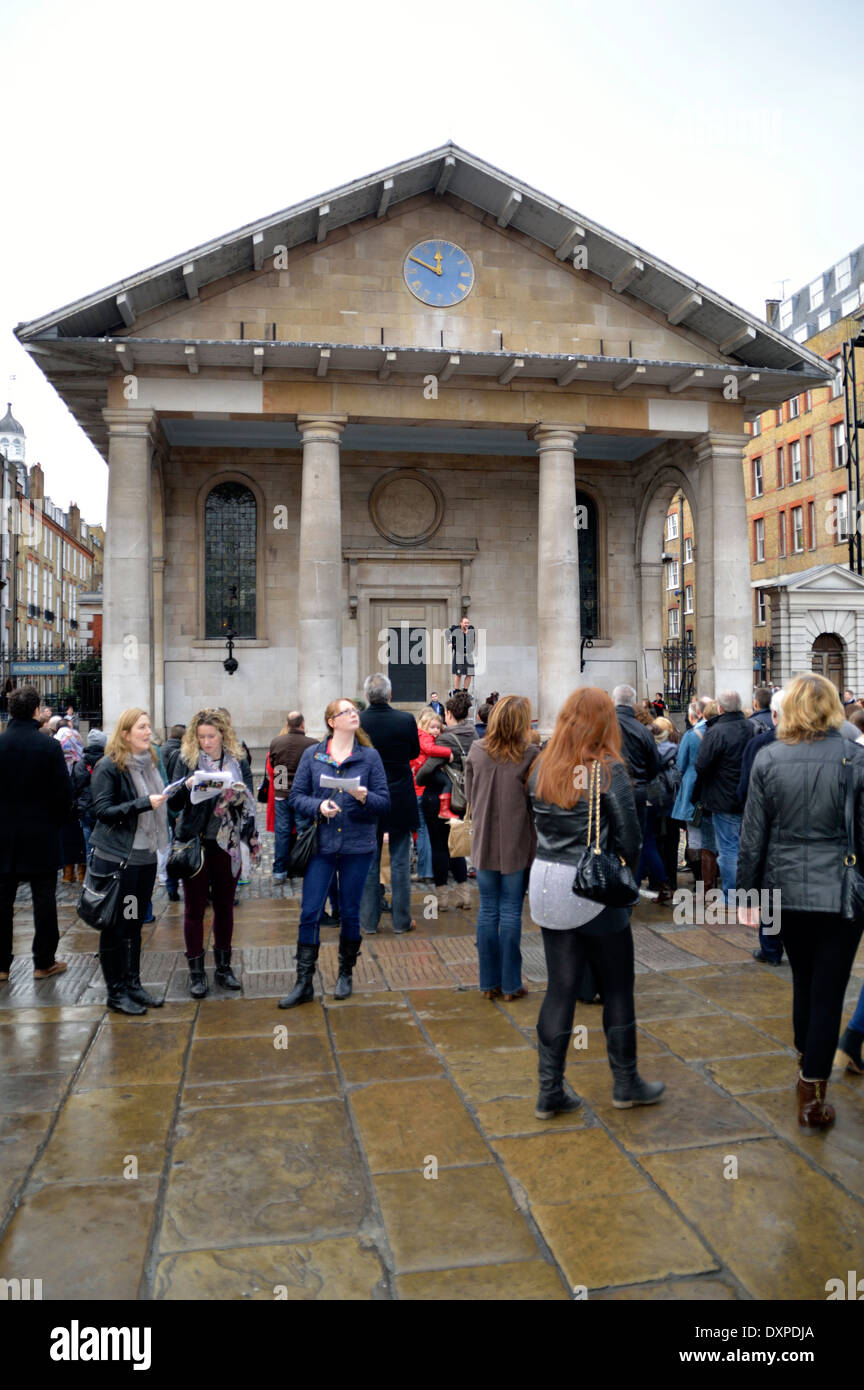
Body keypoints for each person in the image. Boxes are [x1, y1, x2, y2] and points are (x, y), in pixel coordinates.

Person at [527, 687, 663, 1118]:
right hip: (590, 882)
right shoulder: (608, 769)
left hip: (545, 877)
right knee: (619, 985)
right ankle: (626, 1083)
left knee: (560, 988)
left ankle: (549, 1091)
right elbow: (630, 837)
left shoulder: (541, 765)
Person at [737, 673, 864, 1132]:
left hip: (787, 891)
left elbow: (753, 837)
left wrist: (747, 894)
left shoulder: (769, 758)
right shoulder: (856, 758)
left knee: (805, 981)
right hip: (840, 894)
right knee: (828, 989)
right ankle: (812, 1088)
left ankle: (805, 1066)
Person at [280, 697, 390, 1006]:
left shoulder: (370, 757)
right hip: (322, 845)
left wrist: (366, 796)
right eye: (347, 712)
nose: (354, 715)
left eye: (356, 711)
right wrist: (319, 805)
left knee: (350, 911)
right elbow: (296, 797)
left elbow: (385, 802)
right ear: (332, 721)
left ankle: (345, 973)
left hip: (358, 845)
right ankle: (304, 983)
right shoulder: (312, 755)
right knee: (310, 911)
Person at [169, 709, 258, 997]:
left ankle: (223, 967)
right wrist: (187, 784)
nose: (206, 742)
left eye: (211, 736)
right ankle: (196, 972)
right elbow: (172, 800)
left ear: (223, 734)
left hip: (227, 841)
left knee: (224, 906)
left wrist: (237, 794)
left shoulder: (238, 758)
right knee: (194, 908)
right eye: (201, 737)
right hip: (196, 840)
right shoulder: (186, 759)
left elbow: (251, 799)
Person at [89, 708, 171, 1013]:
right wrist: (142, 804)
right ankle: (116, 991)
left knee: (135, 922)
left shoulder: (150, 762)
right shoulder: (109, 766)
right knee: (115, 925)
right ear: (125, 734)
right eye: (142, 727)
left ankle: (133, 984)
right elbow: (102, 811)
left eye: (149, 726)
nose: (148, 732)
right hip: (118, 861)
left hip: (145, 858)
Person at [465, 695, 539, 1001]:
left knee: (487, 911)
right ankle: (510, 985)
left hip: (484, 840)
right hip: (516, 841)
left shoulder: (476, 750)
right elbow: (537, 799)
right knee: (510, 911)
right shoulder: (531, 753)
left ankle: (488, 983)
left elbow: (470, 794)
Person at [0, 686, 73, 985]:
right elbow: (63, 794)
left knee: (2, 904)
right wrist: (53, 822)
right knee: (44, 902)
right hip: (40, 835)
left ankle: (1, 966)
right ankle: (43, 962)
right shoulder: (48, 747)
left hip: (3, 837)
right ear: (35, 711)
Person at [358, 674, 420, 937]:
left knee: (369, 861)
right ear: (390, 695)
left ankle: (368, 923)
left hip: (368, 796)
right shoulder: (405, 720)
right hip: (399, 796)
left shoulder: (358, 721)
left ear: (366, 696)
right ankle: (401, 921)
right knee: (399, 861)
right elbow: (415, 753)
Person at [415, 690, 477, 913]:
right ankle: (464, 895)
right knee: (458, 846)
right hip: (462, 799)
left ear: (448, 713)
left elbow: (424, 773)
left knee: (440, 847)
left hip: (437, 799)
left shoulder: (445, 739)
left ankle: (441, 899)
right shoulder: (475, 737)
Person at [738, 689, 786, 965]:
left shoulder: (761, 745)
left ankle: (771, 947)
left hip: (770, 828)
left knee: (772, 893)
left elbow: (745, 790)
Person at [692, 690, 754, 901]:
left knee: (728, 849)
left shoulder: (717, 731)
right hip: (748, 797)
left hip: (723, 797)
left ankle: (731, 894)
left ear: (720, 708)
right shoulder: (751, 726)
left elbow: (701, 765)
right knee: (743, 847)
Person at [269, 712, 317, 884]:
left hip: (281, 792)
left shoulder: (276, 742)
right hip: (302, 794)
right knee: (305, 832)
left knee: (282, 833)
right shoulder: (312, 744)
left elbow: (274, 766)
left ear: (287, 724)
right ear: (302, 724)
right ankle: (306, 868)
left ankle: (279, 872)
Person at [411, 708, 455, 884]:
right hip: (421, 790)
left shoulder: (418, 738)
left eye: (438, 728)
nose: (436, 731)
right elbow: (429, 750)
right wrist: (447, 753)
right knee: (425, 833)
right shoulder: (424, 739)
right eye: (433, 727)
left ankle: (426, 870)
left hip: (420, 791)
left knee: (424, 833)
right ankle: (429, 869)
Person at [612, 684, 659, 836]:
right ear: (633, 703)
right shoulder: (644, 731)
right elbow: (653, 766)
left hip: (609, 790)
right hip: (636, 791)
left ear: (613, 701)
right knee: (636, 839)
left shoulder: (603, 727)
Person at [71, 728, 108, 860]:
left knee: (88, 847)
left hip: (85, 809)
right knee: (105, 848)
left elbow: (74, 788)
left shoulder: (79, 764)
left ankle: (89, 877)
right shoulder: (108, 763)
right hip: (103, 808)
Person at [447, 616, 476, 693]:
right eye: (465, 623)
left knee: (469, 673)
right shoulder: (456, 628)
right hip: (459, 653)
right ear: (461, 623)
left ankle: (465, 690)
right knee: (458, 673)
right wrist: (449, 642)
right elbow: (447, 632)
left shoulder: (471, 629)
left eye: (468, 623)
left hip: (468, 653)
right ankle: (456, 690)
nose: (467, 624)